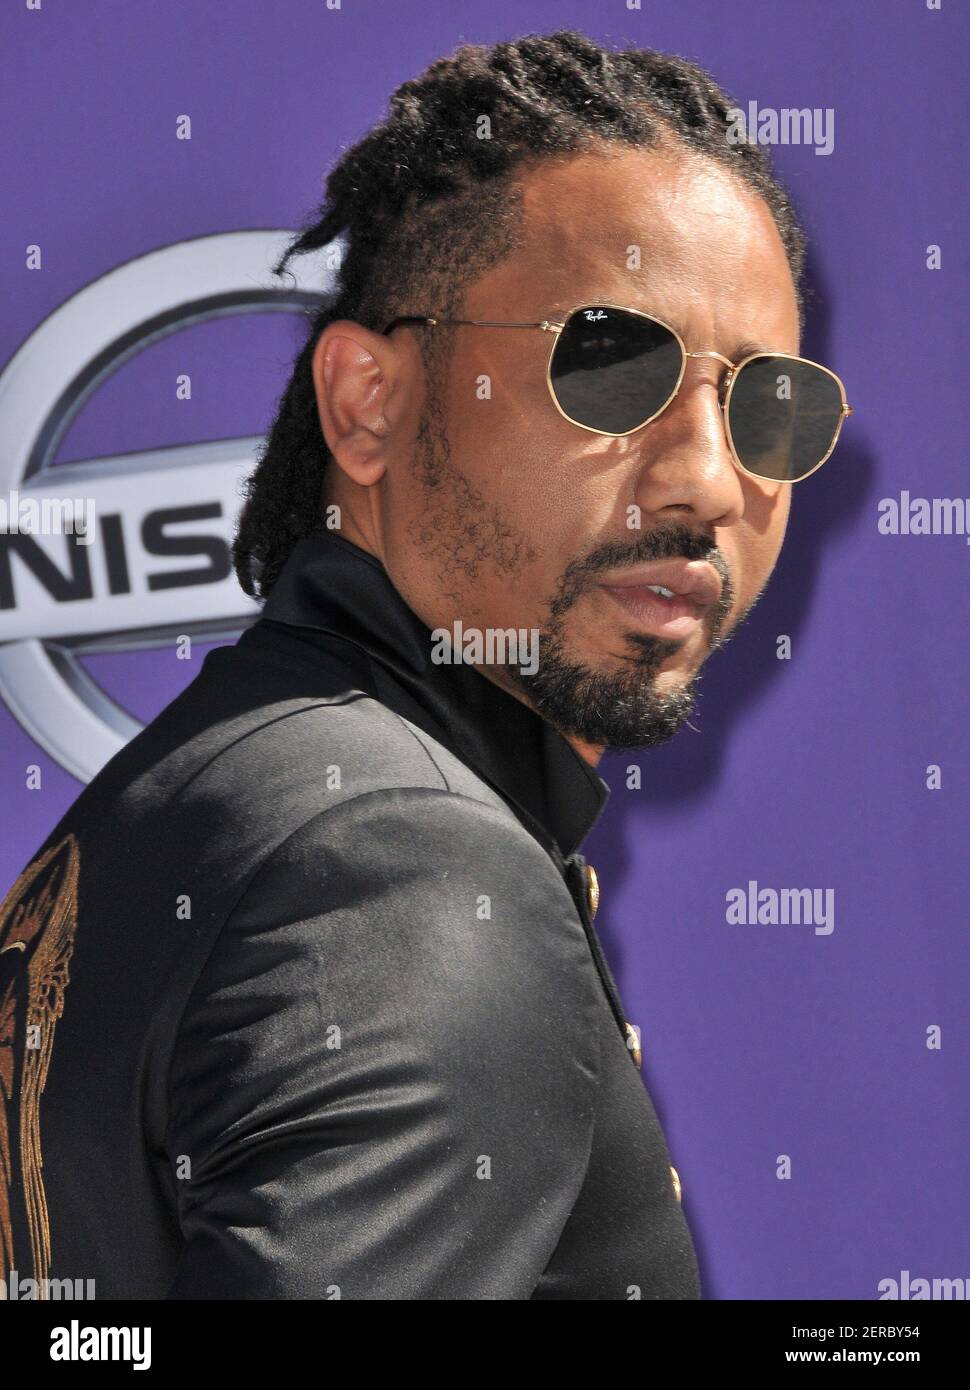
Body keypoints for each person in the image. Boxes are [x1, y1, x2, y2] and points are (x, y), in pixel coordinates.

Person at [0, 29, 851, 1300]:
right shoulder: (408, 867)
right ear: (366, 404)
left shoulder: (210, 795)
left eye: (766, 405)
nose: (705, 479)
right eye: (612, 366)